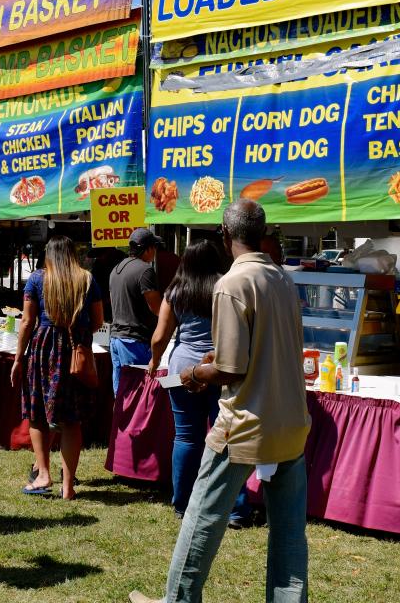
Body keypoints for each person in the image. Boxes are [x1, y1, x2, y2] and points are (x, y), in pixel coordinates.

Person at [129, 200, 311, 603]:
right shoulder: (283, 279)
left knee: (201, 518)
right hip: (291, 420)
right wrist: (217, 362)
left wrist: (195, 374)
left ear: (224, 235)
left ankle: (177, 600)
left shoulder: (232, 283)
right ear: (263, 233)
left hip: (244, 423)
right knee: (289, 533)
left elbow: (230, 369)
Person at [11, 235, 103, 500]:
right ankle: (68, 486)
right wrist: (77, 333)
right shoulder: (87, 279)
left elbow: (27, 321)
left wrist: (18, 358)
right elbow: (98, 321)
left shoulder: (37, 279)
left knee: (38, 413)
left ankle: (43, 474)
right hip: (75, 350)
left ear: (48, 254)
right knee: (71, 419)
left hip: (44, 348)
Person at [146, 241, 227, 518]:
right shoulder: (226, 286)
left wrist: (154, 360)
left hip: (182, 369)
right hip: (220, 368)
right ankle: (234, 507)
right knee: (226, 437)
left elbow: (160, 337)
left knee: (186, 437)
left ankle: (182, 502)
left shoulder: (176, 291)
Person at [109, 227, 164, 394]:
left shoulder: (116, 269)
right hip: (135, 342)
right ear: (147, 249)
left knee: (121, 395)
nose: (155, 251)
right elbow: (158, 309)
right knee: (137, 395)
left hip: (116, 338)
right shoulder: (145, 271)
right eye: (154, 247)